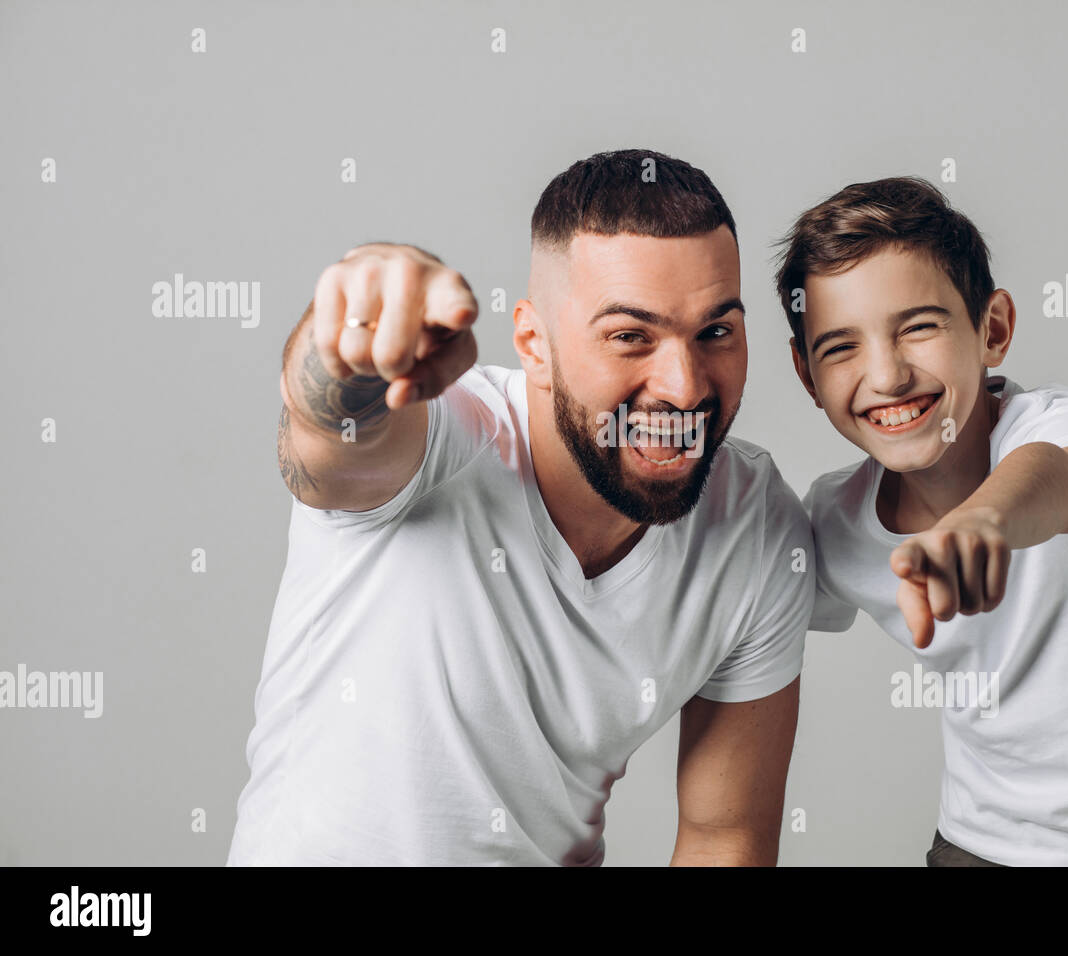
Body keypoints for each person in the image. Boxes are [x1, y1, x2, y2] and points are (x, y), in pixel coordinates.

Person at [226, 149, 814, 866]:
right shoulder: (446, 430)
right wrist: (347, 349)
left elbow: (726, 838)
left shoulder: (757, 526)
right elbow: (328, 444)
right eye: (631, 336)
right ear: (534, 344)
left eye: (715, 332)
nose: (683, 385)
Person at [778, 177, 1068, 866]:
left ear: (992, 329)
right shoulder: (836, 520)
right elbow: (752, 590)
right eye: (841, 347)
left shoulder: (1062, 426)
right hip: (976, 848)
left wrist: (982, 526)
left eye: (917, 326)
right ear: (806, 375)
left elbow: (1057, 480)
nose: (886, 376)